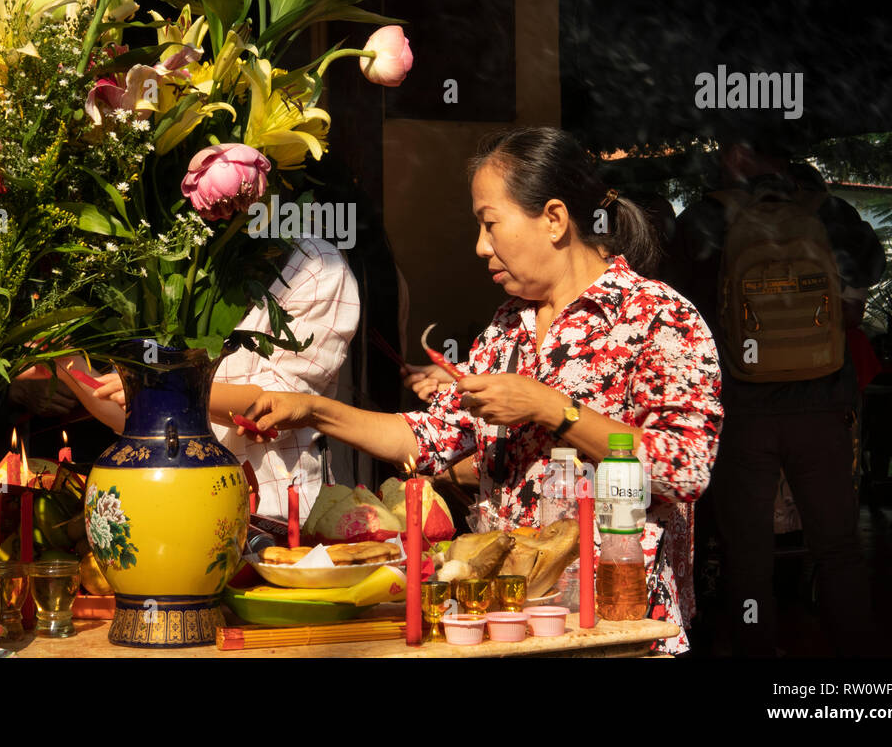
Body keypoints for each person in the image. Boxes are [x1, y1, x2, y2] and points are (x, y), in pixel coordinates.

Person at [245, 127, 724, 654]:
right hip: (508, 620)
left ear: (555, 219)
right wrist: (315, 410)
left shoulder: (660, 318)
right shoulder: (506, 328)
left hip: (617, 621)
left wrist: (549, 407)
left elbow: (684, 467)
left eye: (489, 224)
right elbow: (428, 439)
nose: (480, 247)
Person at [665, 138, 885, 656]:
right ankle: (858, 665)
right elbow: (871, 265)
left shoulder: (706, 217)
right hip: (823, 402)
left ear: (737, 154)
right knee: (838, 549)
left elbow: (677, 307)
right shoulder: (824, 209)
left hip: (741, 411)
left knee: (748, 558)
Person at [73, 235, 361, 521]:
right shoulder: (176, 260)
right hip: (177, 510)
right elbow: (134, 419)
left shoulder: (316, 264)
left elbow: (280, 403)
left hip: (274, 519)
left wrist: (168, 388)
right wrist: (65, 365)